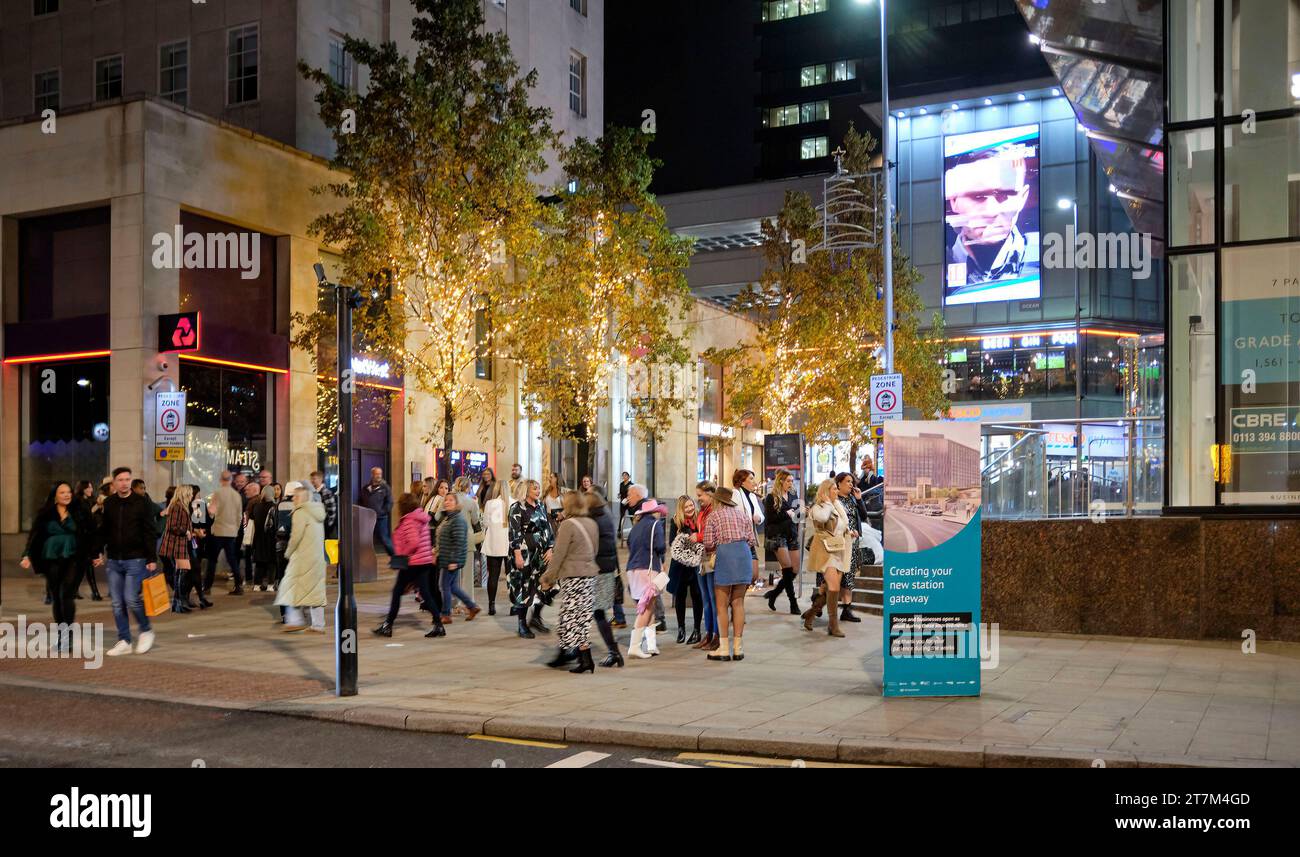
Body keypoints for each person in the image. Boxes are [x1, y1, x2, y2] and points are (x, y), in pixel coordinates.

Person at [94, 467, 159, 657]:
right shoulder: (110, 503)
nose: (124, 483)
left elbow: (149, 530)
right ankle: (124, 640)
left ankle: (146, 630)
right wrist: (98, 551)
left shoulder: (141, 502)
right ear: (113, 483)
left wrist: (151, 558)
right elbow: (104, 530)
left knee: (131, 598)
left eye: (127, 479)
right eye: (120, 480)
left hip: (136, 559)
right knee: (117, 602)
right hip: (114, 560)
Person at [21, 482, 92, 647]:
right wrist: (27, 554)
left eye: (69, 492)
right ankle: (62, 635)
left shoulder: (79, 511)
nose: (67, 495)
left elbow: (90, 532)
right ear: (55, 496)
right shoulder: (45, 513)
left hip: (74, 556)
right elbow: (34, 535)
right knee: (57, 597)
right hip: (51, 557)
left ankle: (68, 635)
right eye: (62, 492)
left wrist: (95, 553)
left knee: (67, 594)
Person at [374, 493, 444, 638]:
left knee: (397, 592)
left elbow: (413, 542)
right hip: (423, 561)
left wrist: (402, 554)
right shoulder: (420, 517)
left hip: (413, 562)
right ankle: (438, 625)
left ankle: (388, 625)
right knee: (425, 593)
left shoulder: (409, 521)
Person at [701, 486, 758, 662]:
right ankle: (738, 648)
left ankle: (724, 649)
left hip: (725, 554)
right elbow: (752, 540)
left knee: (721, 604)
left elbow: (708, 542)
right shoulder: (742, 515)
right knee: (738, 603)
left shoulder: (713, 516)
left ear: (717, 501)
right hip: (743, 555)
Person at [545, 490, 599, 673]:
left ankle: (582, 658)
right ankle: (575, 657)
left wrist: (548, 578)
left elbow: (559, 554)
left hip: (573, 577)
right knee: (580, 616)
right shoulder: (592, 523)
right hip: (589, 576)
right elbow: (595, 550)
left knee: (570, 616)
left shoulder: (568, 524)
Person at [275, 486, 327, 632]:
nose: (294, 499)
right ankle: (318, 625)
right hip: (316, 557)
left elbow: (296, 536)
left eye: (296, 496)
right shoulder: (317, 511)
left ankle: (295, 620)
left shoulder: (300, 512)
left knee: (290, 586)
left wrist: (289, 552)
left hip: (303, 557)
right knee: (314, 590)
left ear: (302, 498)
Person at [803, 479, 850, 638]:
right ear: (826, 491)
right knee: (835, 587)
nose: (837, 491)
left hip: (838, 549)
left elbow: (844, 524)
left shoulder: (838, 505)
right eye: (834, 489)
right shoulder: (818, 507)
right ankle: (833, 625)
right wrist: (828, 503)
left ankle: (811, 613)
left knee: (830, 589)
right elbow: (822, 519)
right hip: (825, 550)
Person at [508, 479, 554, 639]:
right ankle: (522, 624)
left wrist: (550, 547)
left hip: (541, 554)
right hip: (524, 553)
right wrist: (517, 553)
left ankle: (535, 616)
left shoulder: (541, 506)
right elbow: (514, 533)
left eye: (539, 488)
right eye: (535, 488)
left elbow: (548, 527)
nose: (538, 490)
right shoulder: (517, 508)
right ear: (527, 490)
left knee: (548, 586)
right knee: (524, 588)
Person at [584, 489, 623, 668]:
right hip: (607, 568)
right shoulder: (605, 515)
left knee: (598, 612)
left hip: (598, 570)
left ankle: (614, 652)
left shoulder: (594, 520)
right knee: (596, 611)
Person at [624, 498, 667, 660]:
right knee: (647, 608)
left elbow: (629, 544)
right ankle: (635, 646)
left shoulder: (635, 527)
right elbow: (660, 546)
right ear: (655, 512)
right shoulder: (655, 525)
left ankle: (650, 645)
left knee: (649, 605)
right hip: (648, 570)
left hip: (632, 569)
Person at [435, 492, 481, 622]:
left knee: (444, 586)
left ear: (456, 504)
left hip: (451, 560)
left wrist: (454, 560)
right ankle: (472, 607)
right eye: (446, 500)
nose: (447, 502)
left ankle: (446, 614)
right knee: (453, 587)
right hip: (446, 558)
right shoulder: (449, 518)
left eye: (450, 500)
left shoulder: (458, 520)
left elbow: (460, 542)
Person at [666, 495, 705, 645]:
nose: (689, 509)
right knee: (680, 597)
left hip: (695, 565)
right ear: (681, 509)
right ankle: (681, 629)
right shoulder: (676, 521)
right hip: (680, 565)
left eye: (691, 505)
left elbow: (701, 539)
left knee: (697, 596)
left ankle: (697, 630)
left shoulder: (699, 519)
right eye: (686, 507)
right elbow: (672, 543)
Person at [764, 469, 802, 615]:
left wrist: (801, 512)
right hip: (777, 535)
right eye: (788, 481)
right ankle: (793, 602)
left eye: (792, 481)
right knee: (786, 568)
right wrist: (787, 513)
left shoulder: (793, 494)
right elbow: (771, 519)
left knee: (795, 569)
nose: (791, 484)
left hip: (791, 533)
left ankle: (774, 594)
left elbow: (797, 515)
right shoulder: (771, 497)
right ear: (780, 481)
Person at [834, 472, 869, 625]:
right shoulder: (834, 500)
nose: (850, 484)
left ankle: (847, 609)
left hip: (852, 542)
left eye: (852, 481)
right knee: (835, 575)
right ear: (839, 483)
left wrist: (860, 499)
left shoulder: (853, 499)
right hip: (838, 542)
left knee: (849, 575)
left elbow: (864, 515)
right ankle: (819, 604)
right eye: (847, 481)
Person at [690, 480, 719, 651]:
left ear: (709, 494)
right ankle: (708, 633)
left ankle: (716, 634)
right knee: (706, 598)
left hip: (711, 556)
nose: (698, 498)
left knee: (713, 598)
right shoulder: (703, 511)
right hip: (702, 557)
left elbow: (712, 534)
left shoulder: (714, 511)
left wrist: (698, 537)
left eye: (700, 495)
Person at [205, 471, 244, 596]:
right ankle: (238, 585)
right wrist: (236, 529)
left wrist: (208, 510)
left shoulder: (218, 493)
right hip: (231, 532)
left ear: (221, 480)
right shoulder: (236, 495)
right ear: (231, 480)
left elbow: (212, 511)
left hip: (218, 531)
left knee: (212, 560)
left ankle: (207, 587)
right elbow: (239, 516)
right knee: (232, 560)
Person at [159, 486, 195, 612]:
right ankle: (180, 602)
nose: (192, 496)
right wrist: (186, 532)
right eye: (190, 494)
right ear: (184, 494)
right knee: (182, 573)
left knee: (181, 572)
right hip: (175, 543)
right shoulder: (177, 506)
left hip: (180, 543)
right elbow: (173, 526)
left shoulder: (180, 506)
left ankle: (178, 602)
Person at [732, 469, 766, 590]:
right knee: (746, 575)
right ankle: (736, 601)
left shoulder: (752, 496)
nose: (754, 482)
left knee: (753, 575)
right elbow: (734, 515)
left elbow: (761, 515)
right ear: (742, 482)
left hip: (750, 539)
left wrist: (758, 518)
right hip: (739, 540)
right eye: (751, 479)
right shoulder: (735, 494)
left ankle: (737, 599)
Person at [450, 475, 482, 602]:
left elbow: (437, 517)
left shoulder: (449, 499)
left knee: (453, 574)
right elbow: (475, 520)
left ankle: (454, 602)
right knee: (467, 575)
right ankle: (467, 603)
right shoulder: (471, 502)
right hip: (467, 539)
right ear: (468, 488)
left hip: (451, 539)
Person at [481, 480, 510, 616]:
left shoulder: (490, 504)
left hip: (493, 542)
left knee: (493, 576)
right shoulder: (513, 502)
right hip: (509, 543)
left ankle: (491, 605)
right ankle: (514, 604)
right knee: (511, 576)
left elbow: (485, 523)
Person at [72, 480, 103, 601]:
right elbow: (83, 519)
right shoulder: (78, 502)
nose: (91, 489)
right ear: (82, 489)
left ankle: (75, 590)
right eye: (88, 487)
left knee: (83, 566)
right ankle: (94, 593)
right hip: (81, 539)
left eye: (91, 487)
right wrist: (95, 508)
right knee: (85, 565)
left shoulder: (89, 500)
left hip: (89, 538)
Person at [248, 485, 279, 592]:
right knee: (271, 562)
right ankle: (270, 585)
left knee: (259, 562)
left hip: (258, 537)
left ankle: (257, 584)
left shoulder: (257, 507)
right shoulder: (275, 507)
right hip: (271, 538)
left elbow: (252, 517)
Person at [362, 466, 394, 558]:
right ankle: (366, 558)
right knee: (365, 539)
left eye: (380, 474)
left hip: (381, 518)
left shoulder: (385, 488)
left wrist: (383, 511)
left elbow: (390, 502)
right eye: (377, 474)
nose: (379, 476)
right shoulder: (366, 488)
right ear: (372, 475)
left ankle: (395, 557)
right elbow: (361, 500)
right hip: (368, 518)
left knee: (384, 539)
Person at [310, 471, 338, 540]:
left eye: (314, 479)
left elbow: (332, 510)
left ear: (320, 479)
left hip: (326, 529)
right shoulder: (312, 492)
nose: (312, 481)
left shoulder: (326, 492)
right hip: (317, 528)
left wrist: (327, 525)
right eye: (311, 479)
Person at [616, 472, 632, 543]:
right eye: (623, 476)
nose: (624, 477)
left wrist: (628, 499)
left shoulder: (631, 484)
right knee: (621, 516)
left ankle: (635, 529)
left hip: (629, 502)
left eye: (625, 476)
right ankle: (619, 531)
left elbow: (631, 494)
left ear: (628, 477)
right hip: (622, 502)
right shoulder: (621, 484)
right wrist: (619, 495)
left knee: (631, 516)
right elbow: (620, 493)